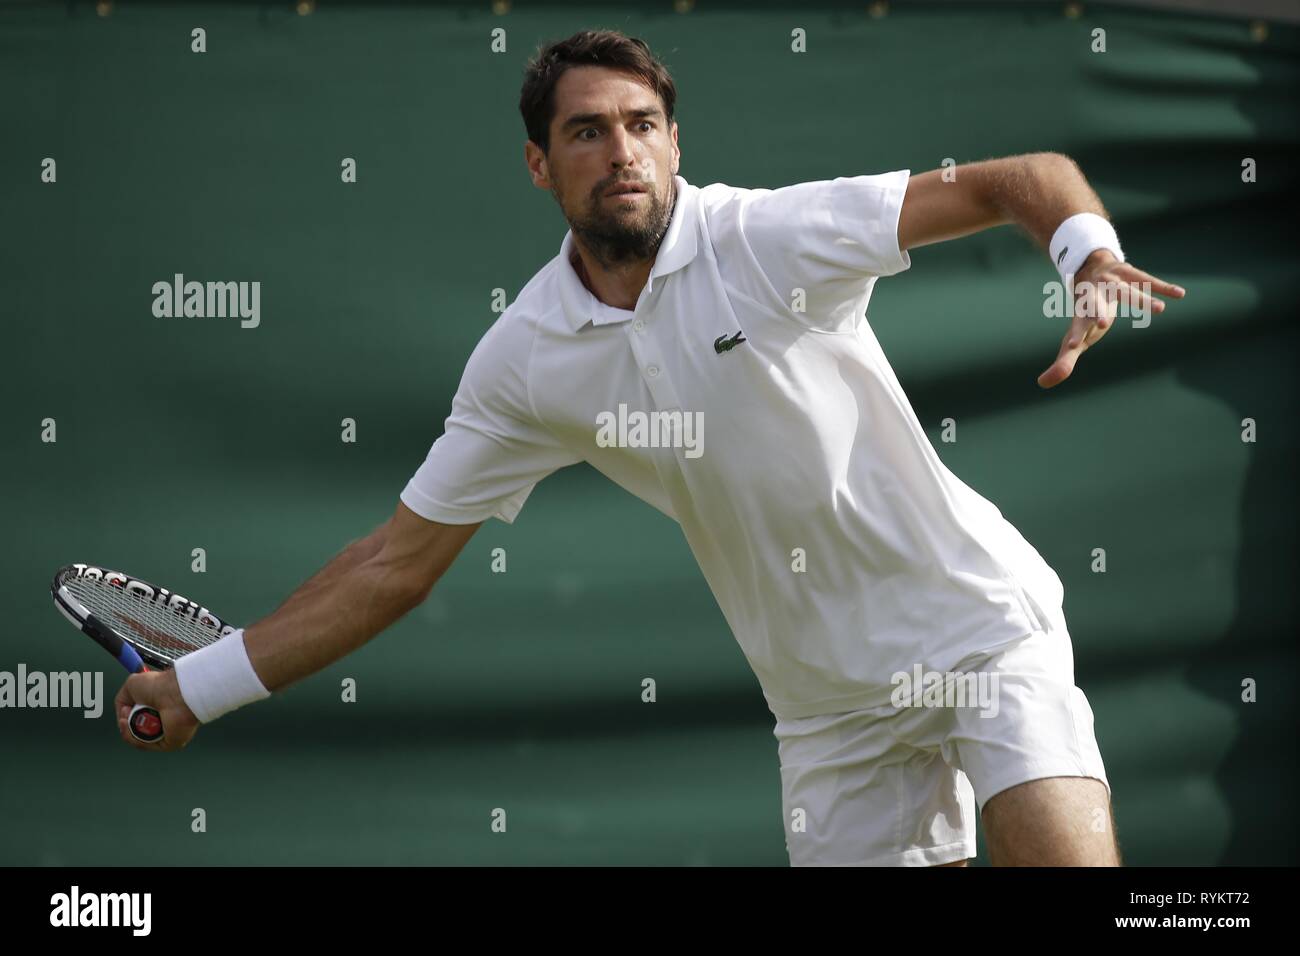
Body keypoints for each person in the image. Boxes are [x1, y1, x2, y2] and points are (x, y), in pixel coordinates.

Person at [116, 28, 1185, 867]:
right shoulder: (524, 357)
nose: (620, 151)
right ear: (539, 163)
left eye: (641, 125)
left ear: (675, 142)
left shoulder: (767, 239)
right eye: (587, 131)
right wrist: (199, 685)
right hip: (825, 709)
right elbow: (394, 563)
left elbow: (1020, 175)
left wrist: (1086, 253)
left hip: (975, 630)